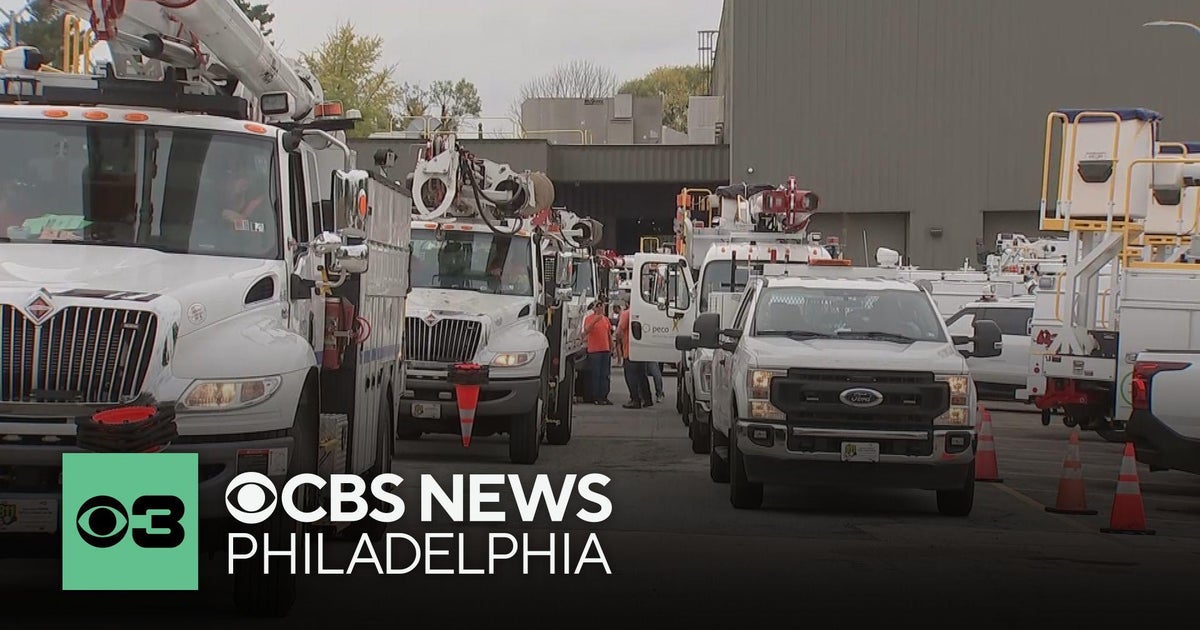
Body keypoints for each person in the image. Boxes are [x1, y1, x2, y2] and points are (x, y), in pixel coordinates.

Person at [617, 305, 653, 409]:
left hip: (629, 349)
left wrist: (618, 343)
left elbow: (619, 331)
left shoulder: (626, 314)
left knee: (631, 376)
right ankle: (647, 399)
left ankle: (635, 399)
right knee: (642, 376)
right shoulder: (644, 313)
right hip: (641, 350)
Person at [582, 300, 613, 405]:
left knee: (605, 374)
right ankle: (596, 396)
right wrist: (595, 319)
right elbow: (586, 330)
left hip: (605, 350)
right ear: (594, 308)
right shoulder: (589, 319)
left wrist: (612, 346)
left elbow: (608, 334)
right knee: (596, 374)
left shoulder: (605, 319)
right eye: (597, 306)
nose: (600, 308)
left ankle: (604, 396)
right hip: (594, 351)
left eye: (601, 306)